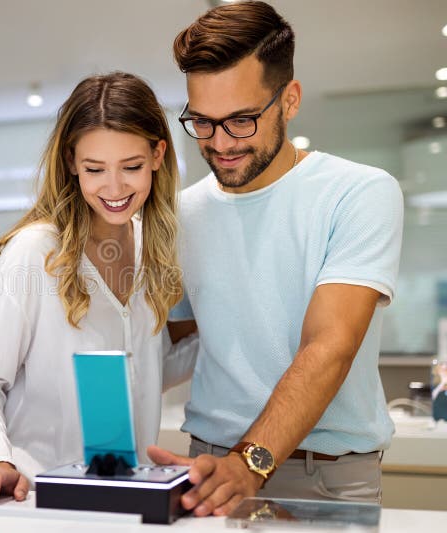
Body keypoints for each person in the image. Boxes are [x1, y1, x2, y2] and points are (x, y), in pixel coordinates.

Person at [149, 0, 404, 517]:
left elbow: (329, 346)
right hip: (208, 466)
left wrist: (250, 462)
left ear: (290, 100)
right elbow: (169, 340)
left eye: (241, 120)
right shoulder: (181, 215)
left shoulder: (358, 193)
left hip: (325, 479)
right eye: (203, 122)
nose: (220, 143)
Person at [0, 72, 198, 503]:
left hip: (124, 499)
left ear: (158, 155)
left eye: (131, 167)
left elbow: (147, 370)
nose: (115, 187)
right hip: (36, 501)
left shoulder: (153, 251)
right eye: (95, 169)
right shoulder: (36, 251)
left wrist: (227, 331)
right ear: (71, 162)